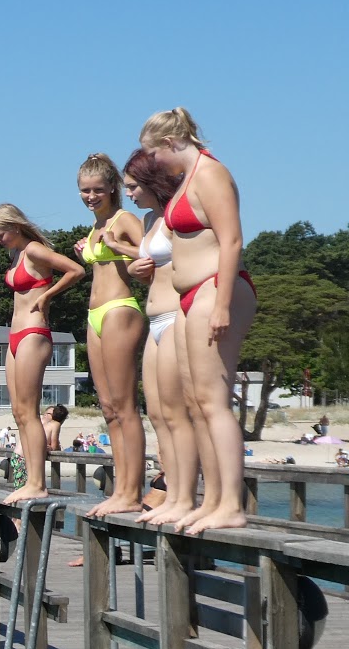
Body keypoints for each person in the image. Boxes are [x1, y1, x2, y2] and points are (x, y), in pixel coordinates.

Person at [143, 107, 256, 534]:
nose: (154, 164)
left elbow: (231, 238)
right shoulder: (188, 180)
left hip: (215, 289)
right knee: (195, 402)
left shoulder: (211, 172)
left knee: (213, 400)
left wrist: (223, 301)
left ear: (170, 143)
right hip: (191, 295)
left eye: (153, 154)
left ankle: (231, 502)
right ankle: (210, 501)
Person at [121, 148, 200, 527]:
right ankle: (172, 491)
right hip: (153, 317)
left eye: (134, 186)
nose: (130, 194)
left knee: (174, 412)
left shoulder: (176, 215)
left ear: (153, 182)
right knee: (155, 413)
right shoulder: (150, 218)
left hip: (176, 315)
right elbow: (156, 268)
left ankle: (184, 495)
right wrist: (138, 270)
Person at [0, 202, 84, 503]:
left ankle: (37, 482)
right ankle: (31, 478)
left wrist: (47, 296)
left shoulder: (33, 250)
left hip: (33, 332)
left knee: (29, 411)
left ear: (15, 227)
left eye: (0, 233)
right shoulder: (16, 254)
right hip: (15, 334)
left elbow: (76, 269)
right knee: (19, 411)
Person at [73, 152, 147, 517]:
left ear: (112, 187)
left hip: (120, 310)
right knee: (108, 408)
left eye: (97, 190)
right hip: (94, 314)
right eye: (84, 191)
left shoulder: (124, 218)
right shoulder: (94, 226)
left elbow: (153, 255)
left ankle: (132, 491)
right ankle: (121, 489)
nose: (90, 196)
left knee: (124, 405)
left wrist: (117, 246)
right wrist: (88, 250)